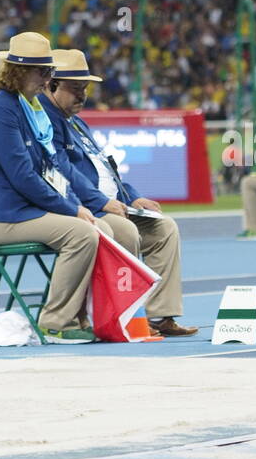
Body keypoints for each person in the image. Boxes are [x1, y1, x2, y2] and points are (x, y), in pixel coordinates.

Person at [42, 48, 198, 337]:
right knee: (124, 229)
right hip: (85, 209)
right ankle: (121, 316)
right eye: (75, 88)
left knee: (164, 228)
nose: (82, 96)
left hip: (111, 204)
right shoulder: (46, 123)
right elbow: (62, 174)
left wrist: (131, 196)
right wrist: (101, 202)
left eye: (85, 88)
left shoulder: (77, 123)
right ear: (51, 85)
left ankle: (158, 316)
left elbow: (105, 169)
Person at [0, 32, 101, 344]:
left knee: (95, 228)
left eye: (49, 72)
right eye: (42, 72)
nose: (47, 80)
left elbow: (48, 169)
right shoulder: (2, 110)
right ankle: (54, 321)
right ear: (18, 71)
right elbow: (24, 177)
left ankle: (85, 316)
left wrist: (77, 205)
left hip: (22, 210)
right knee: (81, 234)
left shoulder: (27, 107)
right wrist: (72, 210)